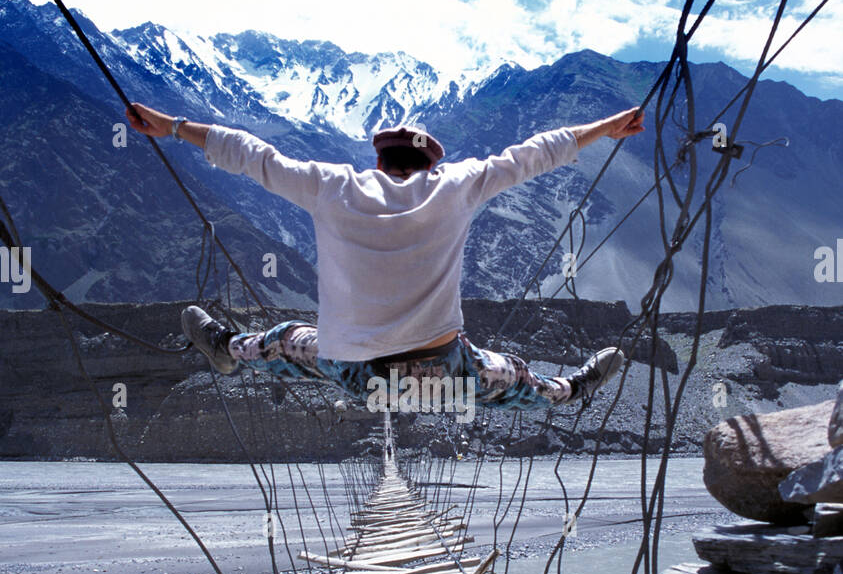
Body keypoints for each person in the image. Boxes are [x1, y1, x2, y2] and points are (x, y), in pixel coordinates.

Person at [125, 101, 644, 411]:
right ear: (429, 164)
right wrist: (606, 127)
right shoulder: (455, 186)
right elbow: (535, 154)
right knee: (519, 379)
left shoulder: (331, 186)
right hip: (445, 375)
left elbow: (252, 155)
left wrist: (172, 127)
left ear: (377, 159)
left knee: (285, 340)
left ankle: (224, 345)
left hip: (357, 375)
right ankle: (572, 387)